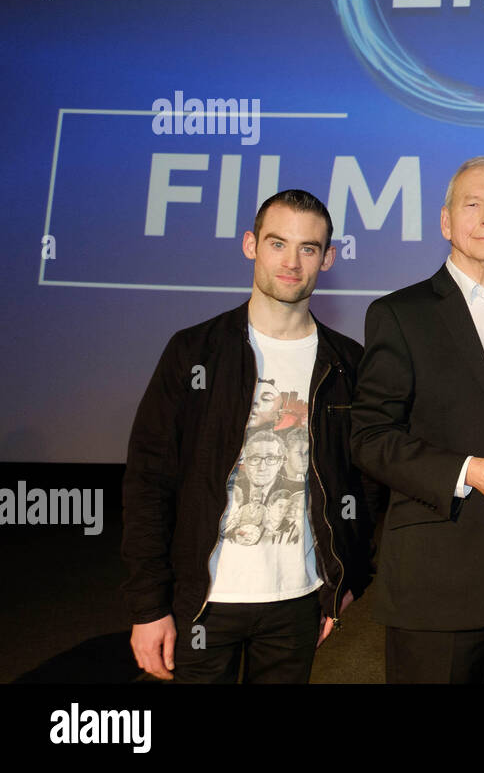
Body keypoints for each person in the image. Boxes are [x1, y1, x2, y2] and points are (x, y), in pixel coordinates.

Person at [122, 189, 373, 683]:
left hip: (298, 601)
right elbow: (149, 481)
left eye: (308, 248)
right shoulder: (194, 350)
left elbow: (365, 484)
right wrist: (148, 605)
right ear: (250, 245)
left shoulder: (348, 362)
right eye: (278, 243)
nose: (292, 262)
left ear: (328, 257)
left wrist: (348, 577)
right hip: (202, 603)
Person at [350, 156, 484, 684]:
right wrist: (470, 471)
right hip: (437, 575)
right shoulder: (400, 314)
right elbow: (370, 438)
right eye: (473, 205)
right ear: (446, 222)